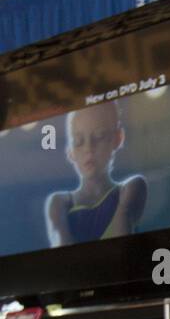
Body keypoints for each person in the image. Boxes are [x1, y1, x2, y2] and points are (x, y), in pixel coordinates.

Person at [45, 101, 147, 246]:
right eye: (79, 141)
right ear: (70, 152)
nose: (88, 148)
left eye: (99, 136)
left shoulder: (131, 188)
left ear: (118, 138)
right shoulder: (59, 202)